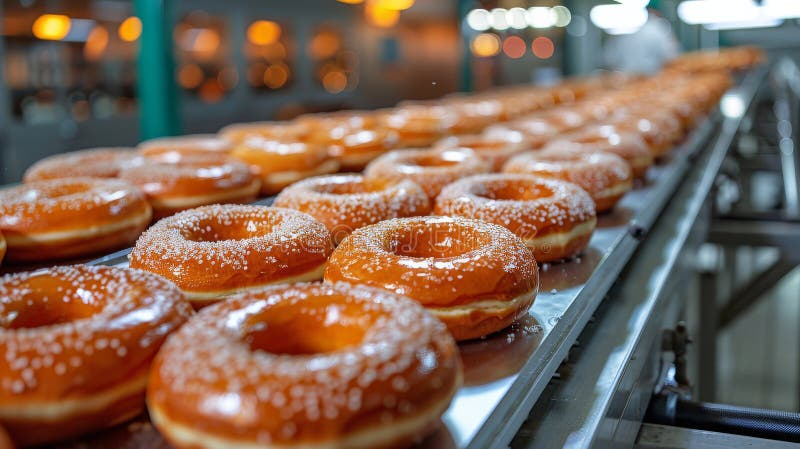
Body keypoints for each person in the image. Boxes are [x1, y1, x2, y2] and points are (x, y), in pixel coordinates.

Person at [602, 9, 680, 74]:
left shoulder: (627, 30)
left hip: (627, 76)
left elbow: (610, 59)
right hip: (652, 77)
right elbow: (671, 56)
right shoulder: (659, 29)